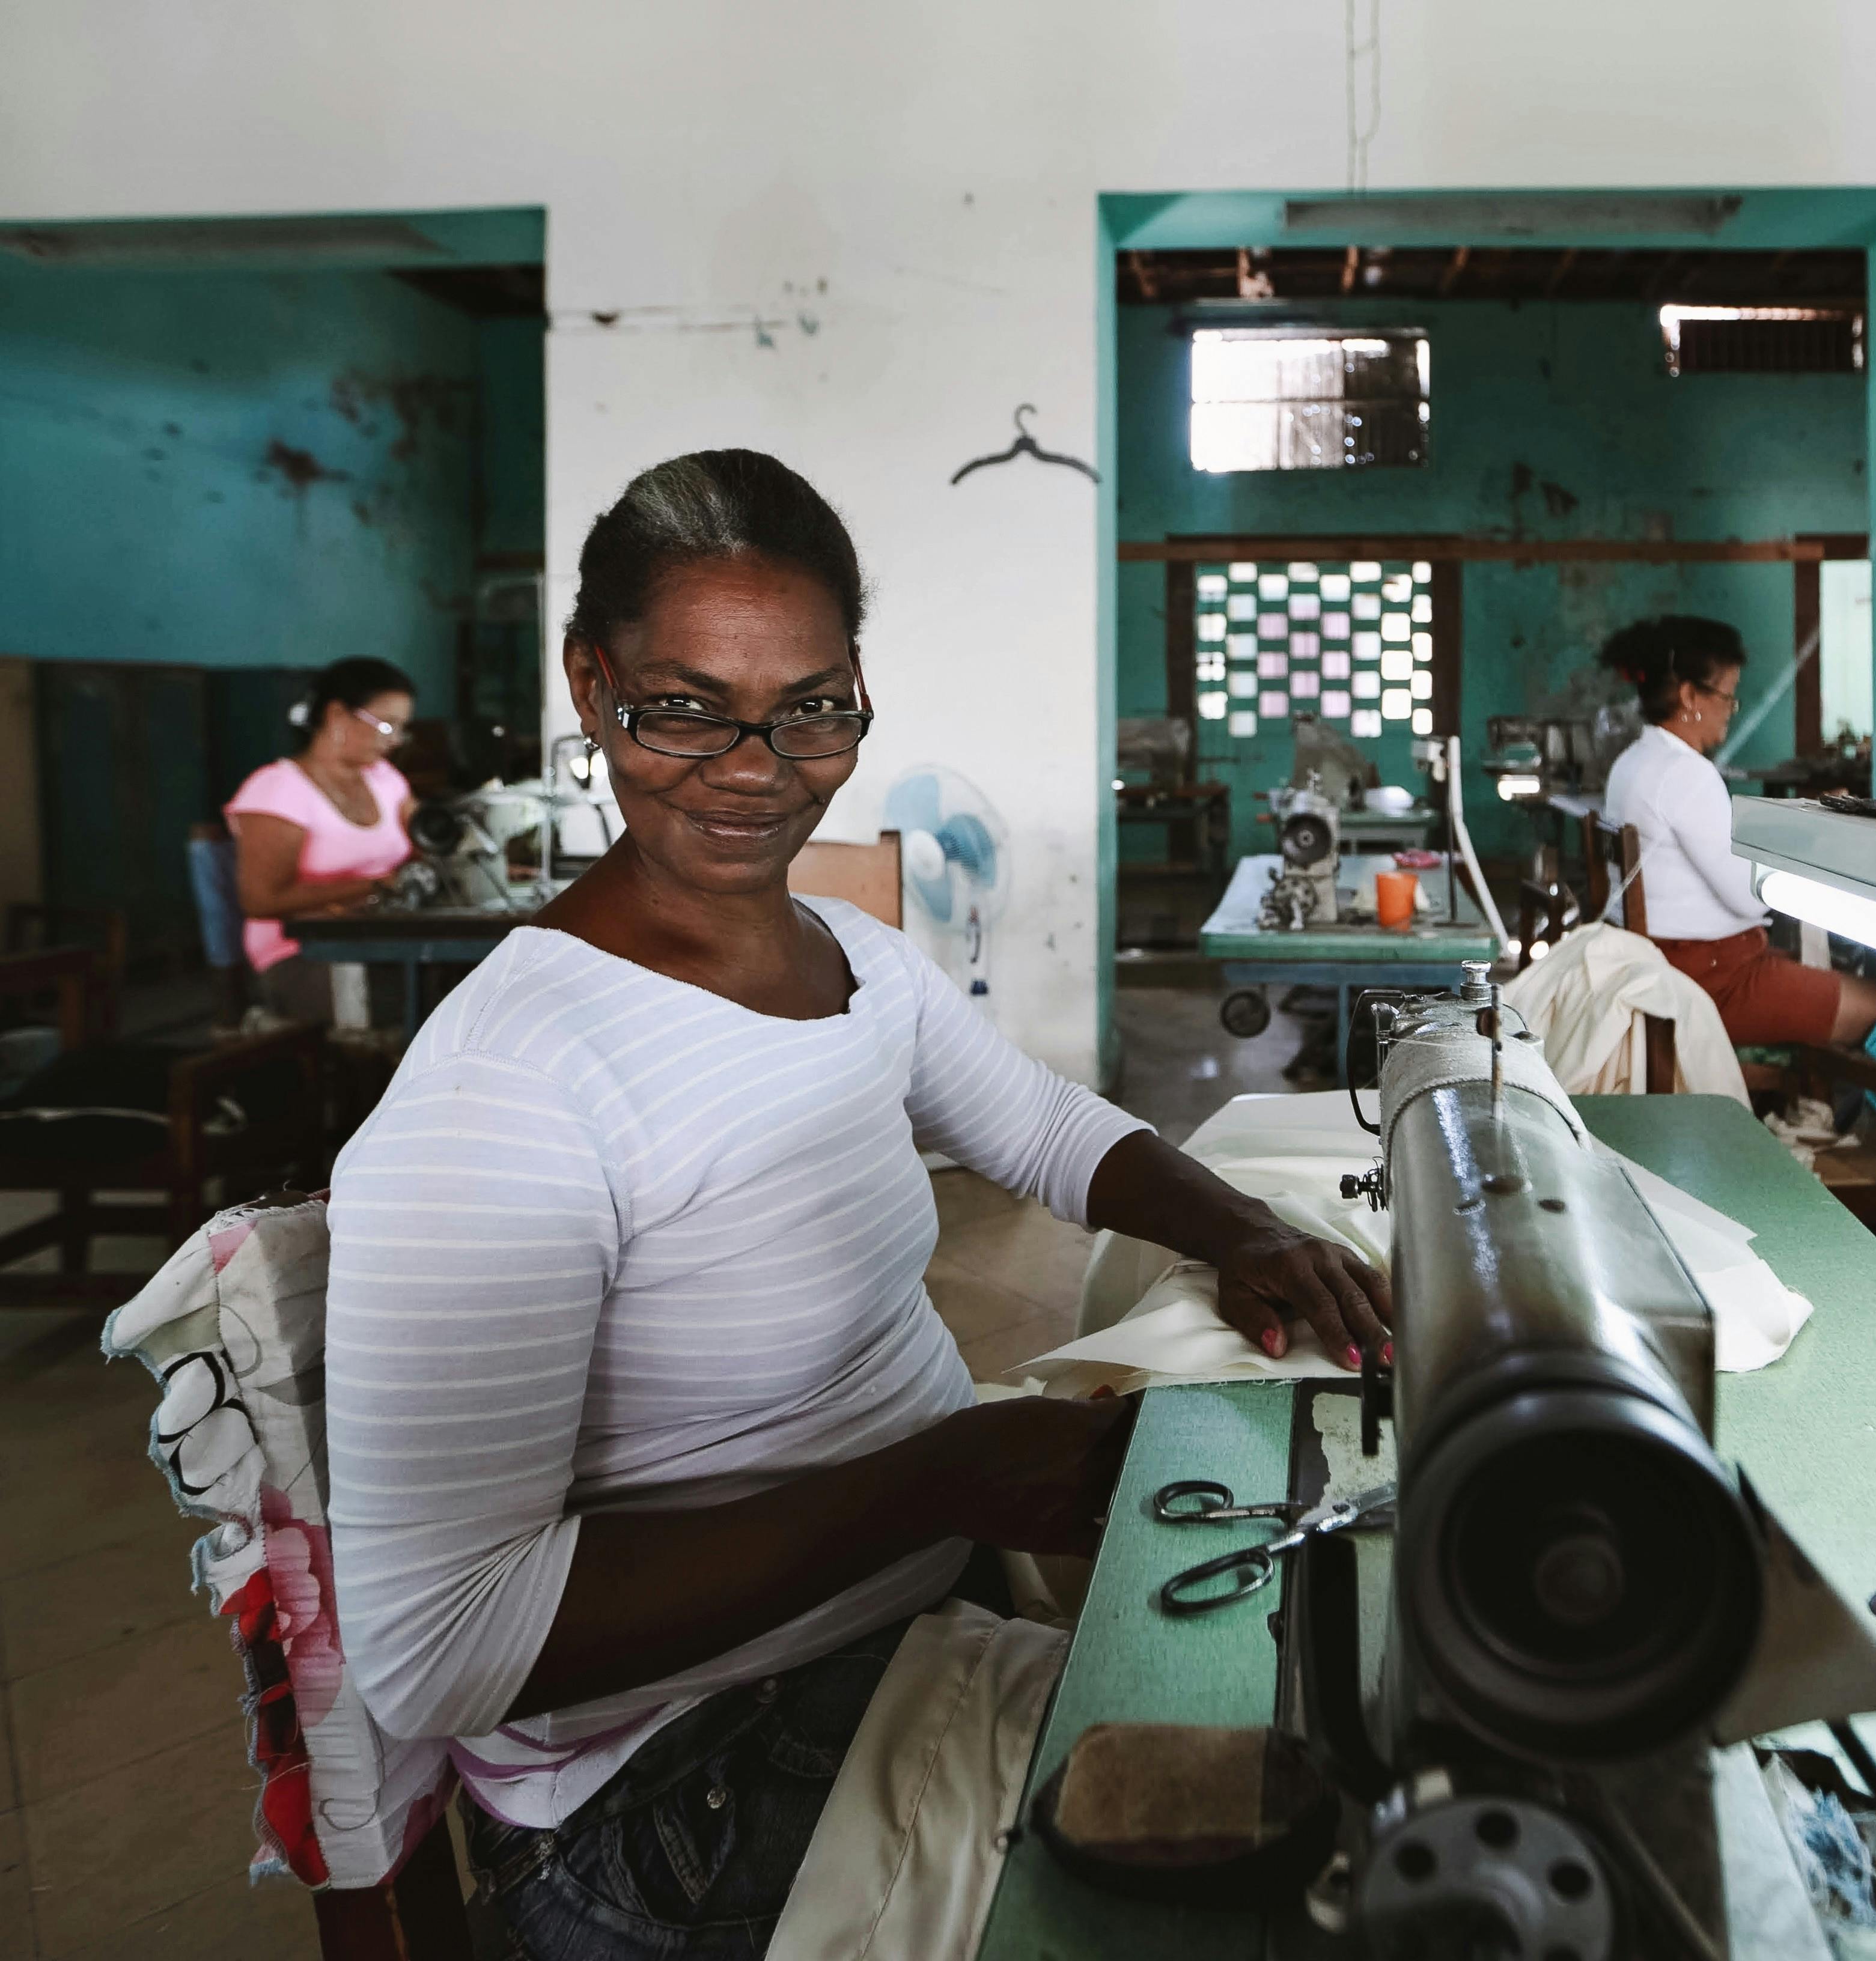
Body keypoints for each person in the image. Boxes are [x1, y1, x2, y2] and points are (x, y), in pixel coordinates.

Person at [322, 450, 1392, 1959]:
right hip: (674, 1784)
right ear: (590, 685)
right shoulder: (508, 1090)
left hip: (895, 1617)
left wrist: (1245, 1232)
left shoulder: (846, 955)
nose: (756, 767)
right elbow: (436, 1652)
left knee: (1345, 1720)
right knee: (1321, 1875)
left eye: (813, 708)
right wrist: (934, 1483)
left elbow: (1041, 1125)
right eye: (686, 706)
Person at [1598, 616, 1876, 1047]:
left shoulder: (1634, 762)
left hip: (1664, 964)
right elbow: (1750, 897)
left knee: (1824, 974)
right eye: (1727, 696)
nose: (1731, 710)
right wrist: (1816, 842)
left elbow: (1709, 841)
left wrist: (1802, 825)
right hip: (1710, 983)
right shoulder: (1687, 774)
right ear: (1690, 696)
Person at [224, 657, 419, 1023]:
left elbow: (427, 842)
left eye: (402, 728)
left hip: (378, 936)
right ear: (337, 715)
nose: (395, 740)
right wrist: (378, 885)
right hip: (301, 954)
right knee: (421, 1000)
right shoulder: (277, 789)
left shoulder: (385, 779)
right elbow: (260, 901)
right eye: (387, 724)